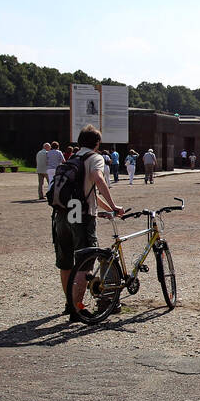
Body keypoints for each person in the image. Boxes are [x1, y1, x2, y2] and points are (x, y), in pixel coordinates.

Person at [53, 124, 124, 322]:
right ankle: (77, 308)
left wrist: (107, 208)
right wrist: (114, 204)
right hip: (81, 216)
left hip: (61, 214)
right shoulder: (95, 158)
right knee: (85, 261)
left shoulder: (72, 159)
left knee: (66, 262)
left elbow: (89, 193)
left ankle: (70, 303)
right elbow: (97, 179)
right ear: (97, 143)